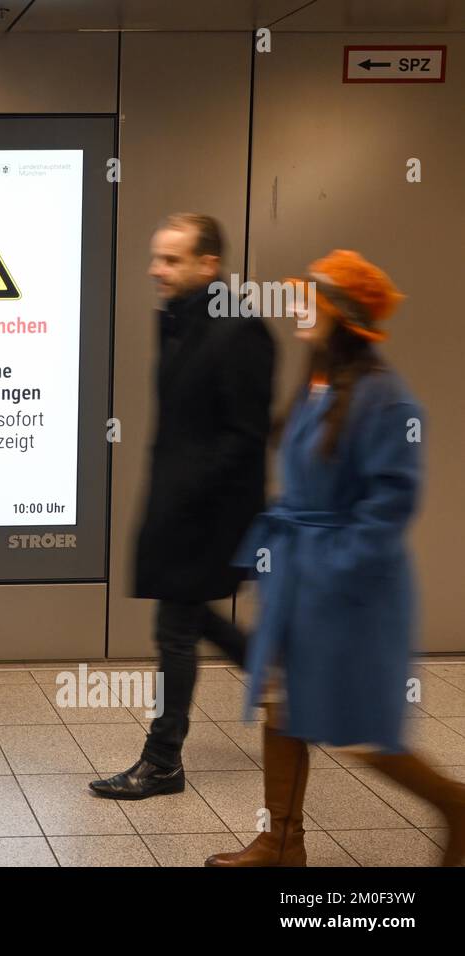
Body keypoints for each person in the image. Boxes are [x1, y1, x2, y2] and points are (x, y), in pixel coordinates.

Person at [207, 250, 464, 867]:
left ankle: (457, 807)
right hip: (301, 575)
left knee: (355, 727)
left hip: (351, 590)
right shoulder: (316, 386)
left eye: (311, 298)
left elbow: (389, 507)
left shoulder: (387, 401)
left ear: (343, 316)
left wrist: (330, 570)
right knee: (284, 704)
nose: (297, 305)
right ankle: (281, 841)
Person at [90, 213, 275, 800]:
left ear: (208, 265)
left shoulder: (239, 330)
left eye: (170, 260)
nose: (156, 269)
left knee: (175, 629)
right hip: (180, 505)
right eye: (156, 257)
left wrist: (192, 497)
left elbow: (244, 437)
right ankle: (283, 679)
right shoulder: (182, 322)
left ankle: (163, 760)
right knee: (190, 619)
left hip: (209, 513)